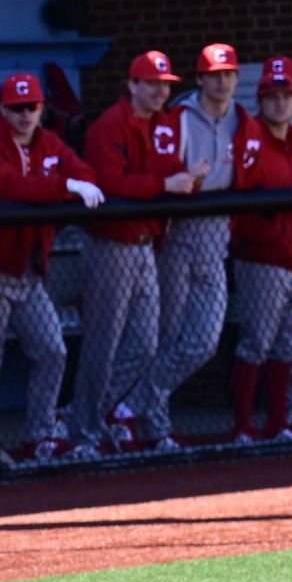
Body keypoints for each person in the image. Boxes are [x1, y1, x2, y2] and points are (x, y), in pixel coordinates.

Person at [0, 72, 104, 461]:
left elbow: (87, 174)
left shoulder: (49, 142)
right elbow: (9, 186)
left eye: (32, 107)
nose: (25, 115)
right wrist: (63, 186)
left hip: (29, 271)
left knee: (52, 351)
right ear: (2, 110)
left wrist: (67, 182)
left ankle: (40, 434)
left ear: (42, 109)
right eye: (17, 108)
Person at [68, 51, 196, 458]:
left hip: (145, 245)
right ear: (133, 86)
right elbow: (111, 182)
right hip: (111, 245)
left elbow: (170, 170)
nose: (160, 90)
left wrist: (189, 179)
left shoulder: (164, 124)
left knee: (145, 343)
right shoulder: (110, 125)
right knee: (102, 345)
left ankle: (85, 414)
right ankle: (82, 431)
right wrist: (166, 184)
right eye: (152, 83)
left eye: (165, 84)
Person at [127, 44, 247, 452]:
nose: (221, 81)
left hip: (217, 237)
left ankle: (133, 405)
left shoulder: (241, 119)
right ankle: (155, 427)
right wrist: (183, 176)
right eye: (213, 74)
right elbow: (160, 171)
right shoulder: (178, 117)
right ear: (200, 79)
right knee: (166, 335)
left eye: (228, 74)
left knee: (204, 341)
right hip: (178, 234)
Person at [228, 56, 292, 443]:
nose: (280, 103)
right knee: (257, 343)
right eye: (272, 97)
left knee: (288, 345)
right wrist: (268, 235)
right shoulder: (252, 140)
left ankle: (278, 422)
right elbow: (241, 200)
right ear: (262, 101)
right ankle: (242, 426)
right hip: (263, 260)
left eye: (286, 96)